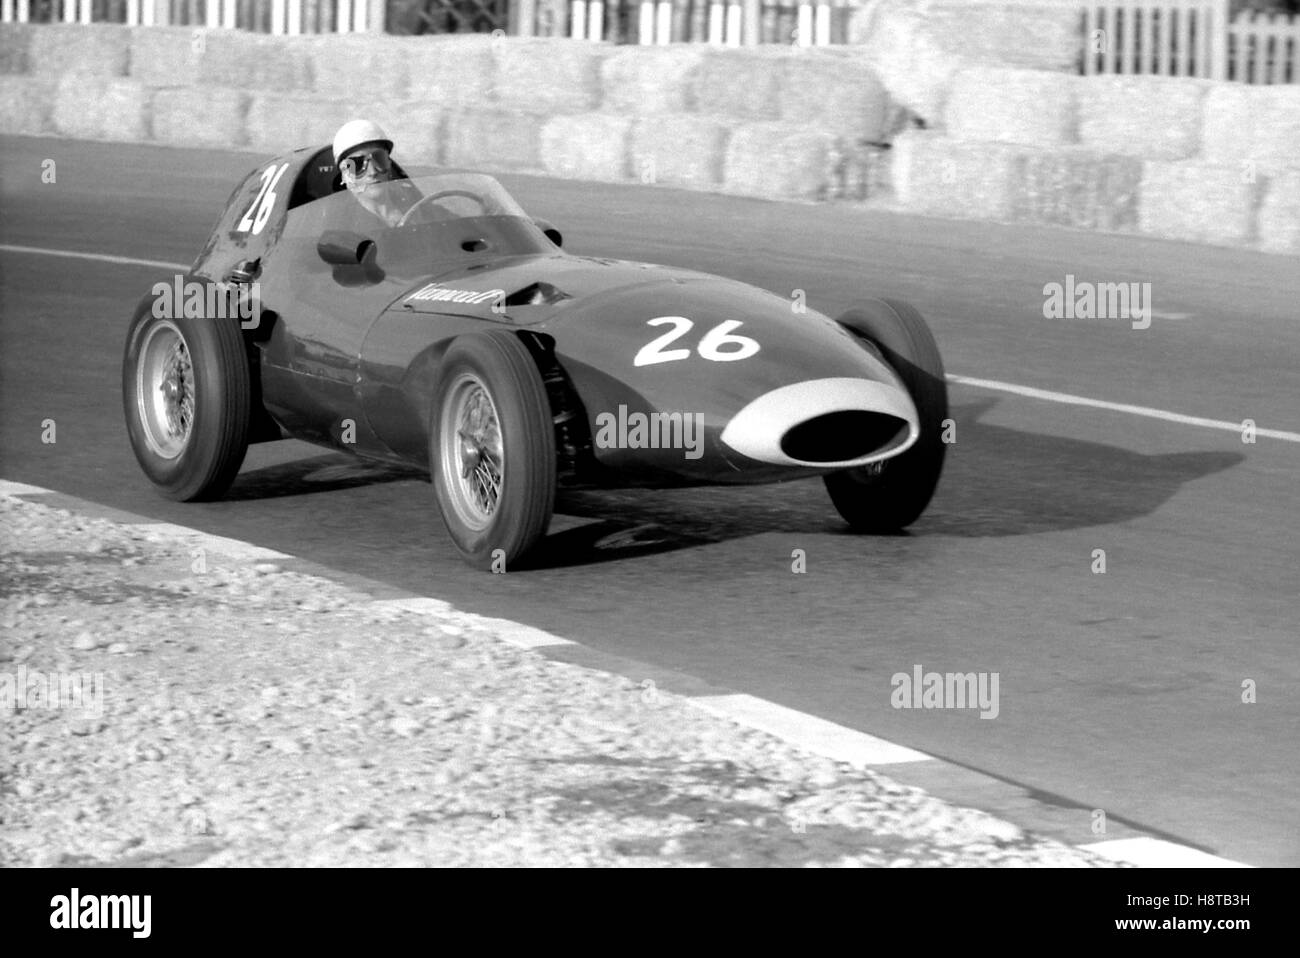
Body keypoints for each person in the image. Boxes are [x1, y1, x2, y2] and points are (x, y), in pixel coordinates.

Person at [331, 119, 418, 228]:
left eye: (379, 159)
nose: (372, 172)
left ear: (389, 163)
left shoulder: (418, 208)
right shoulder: (340, 228)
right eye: (357, 164)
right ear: (345, 173)